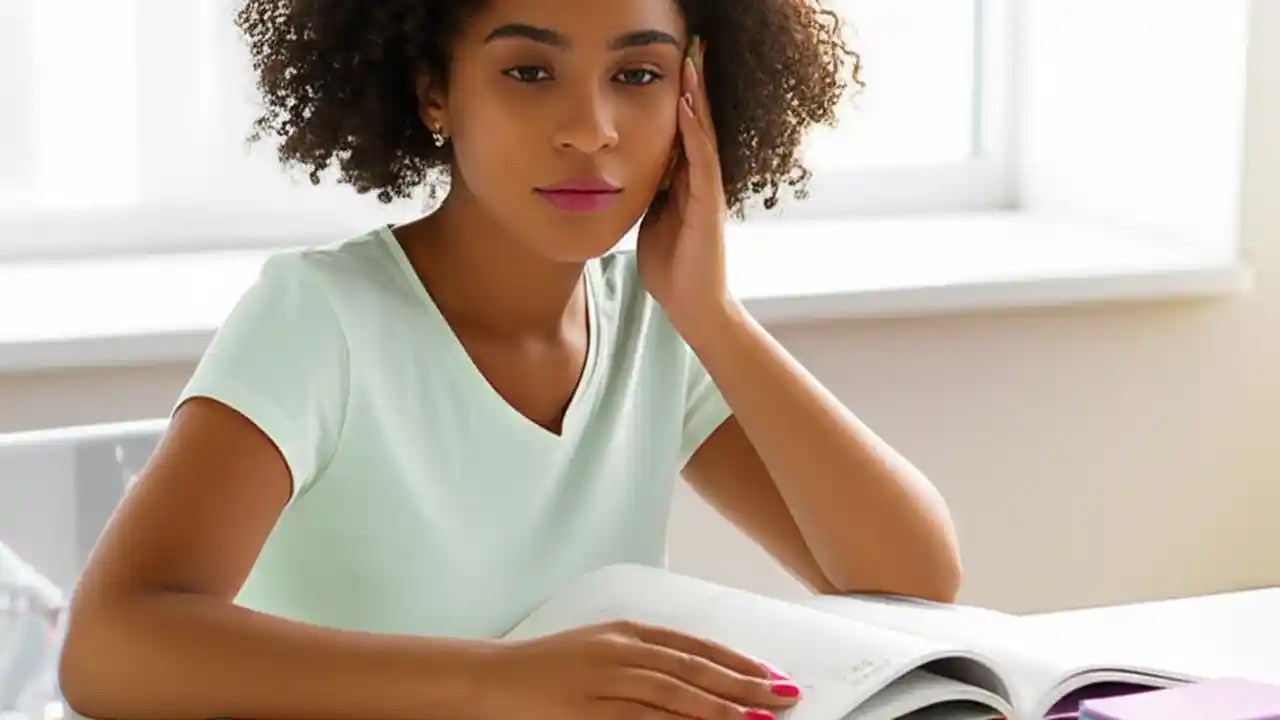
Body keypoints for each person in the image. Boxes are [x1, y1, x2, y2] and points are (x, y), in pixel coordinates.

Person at [57, 1, 962, 719]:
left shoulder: (657, 326)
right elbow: (107, 647)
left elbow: (912, 579)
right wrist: (496, 683)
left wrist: (713, 316)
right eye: (529, 72)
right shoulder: (323, 319)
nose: (591, 128)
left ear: (696, 100)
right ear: (435, 92)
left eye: (638, 75)